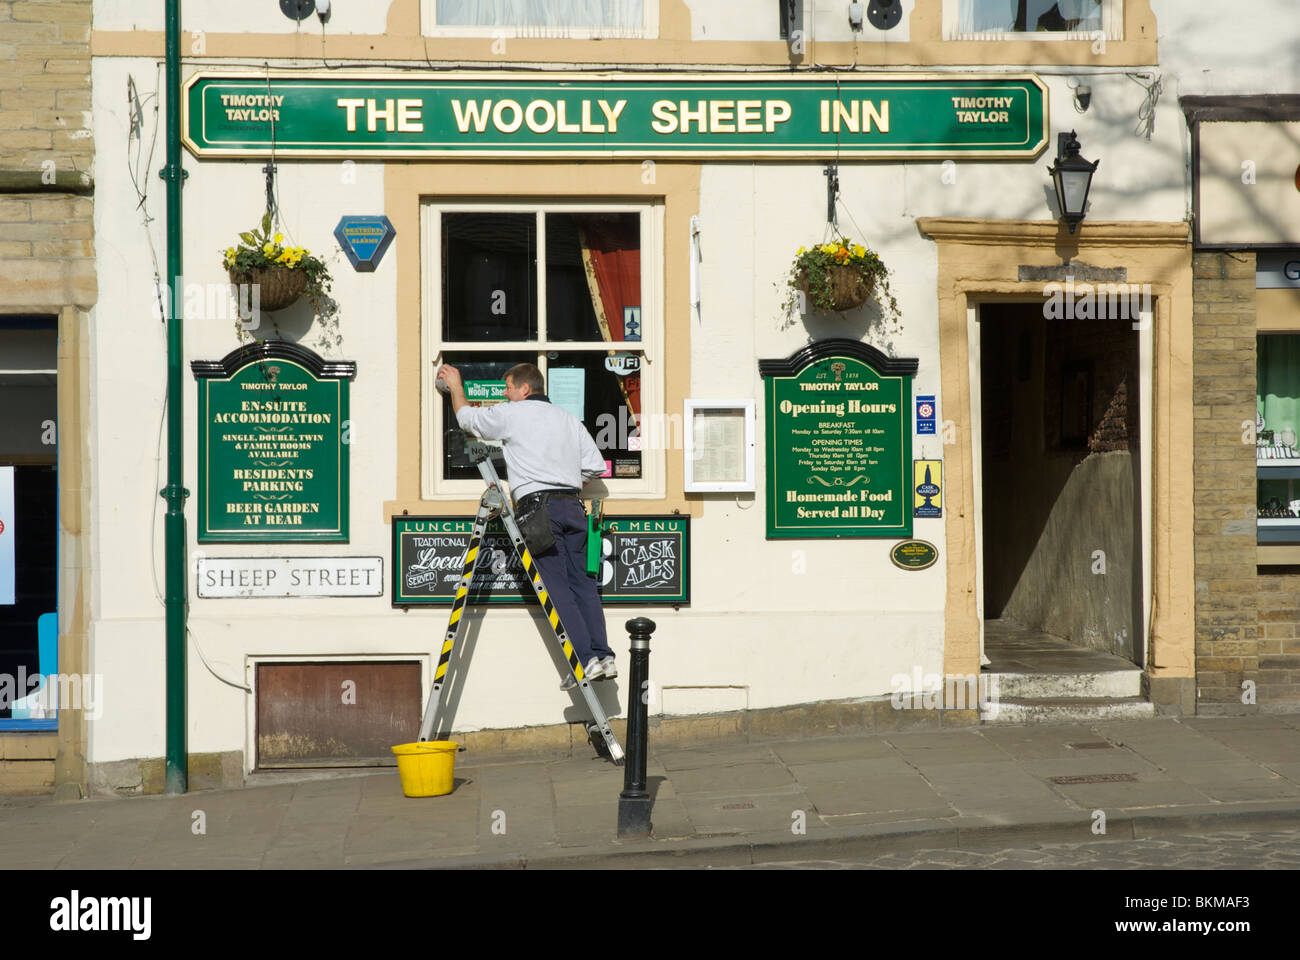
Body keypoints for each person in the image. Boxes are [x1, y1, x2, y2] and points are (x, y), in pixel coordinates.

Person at [436, 361, 615, 690]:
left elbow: (467, 420)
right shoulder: (569, 420)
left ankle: (585, 660)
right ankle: (604, 656)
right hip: (573, 506)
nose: (504, 393)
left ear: (524, 389)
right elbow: (594, 467)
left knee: (557, 588)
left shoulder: (512, 413)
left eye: (507, 387)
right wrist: (562, 477)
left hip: (538, 509)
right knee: (584, 585)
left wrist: (456, 385)